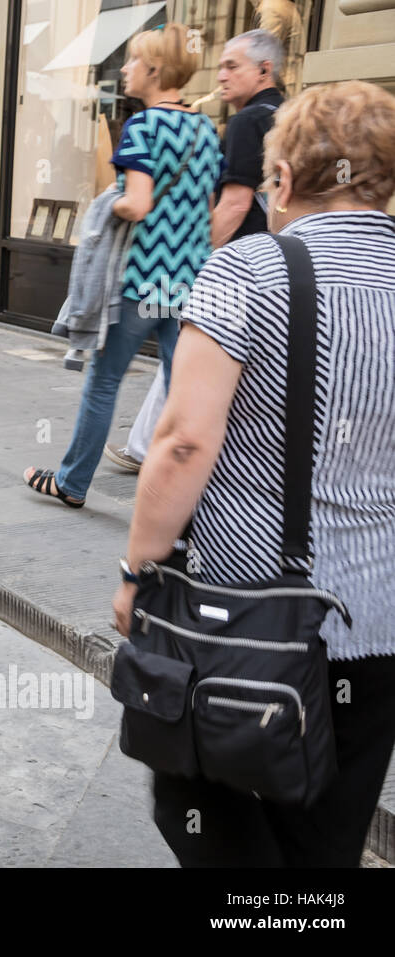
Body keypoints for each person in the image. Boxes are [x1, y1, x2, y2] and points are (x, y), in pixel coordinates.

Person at [114, 80, 395, 867]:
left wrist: (137, 570)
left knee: (198, 801)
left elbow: (180, 443)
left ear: (281, 178)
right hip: (378, 622)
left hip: (245, 618)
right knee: (327, 838)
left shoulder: (250, 270)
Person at [23, 23, 220, 508]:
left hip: (139, 279)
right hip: (188, 281)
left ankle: (71, 482)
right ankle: (188, 494)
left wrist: (105, 207)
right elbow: (211, 213)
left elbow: (138, 204)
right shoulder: (205, 130)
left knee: (105, 381)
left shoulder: (142, 127)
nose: (125, 69)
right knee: (183, 390)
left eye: (132, 62)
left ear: (154, 71)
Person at [107, 28, 288, 474]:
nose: (221, 75)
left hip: (237, 266)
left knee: (185, 364)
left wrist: (202, 258)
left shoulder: (247, 121)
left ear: (264, 70)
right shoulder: (289, 113)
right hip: (282, 265)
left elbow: (234, 203)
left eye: (232, 66)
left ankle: (154, 452)